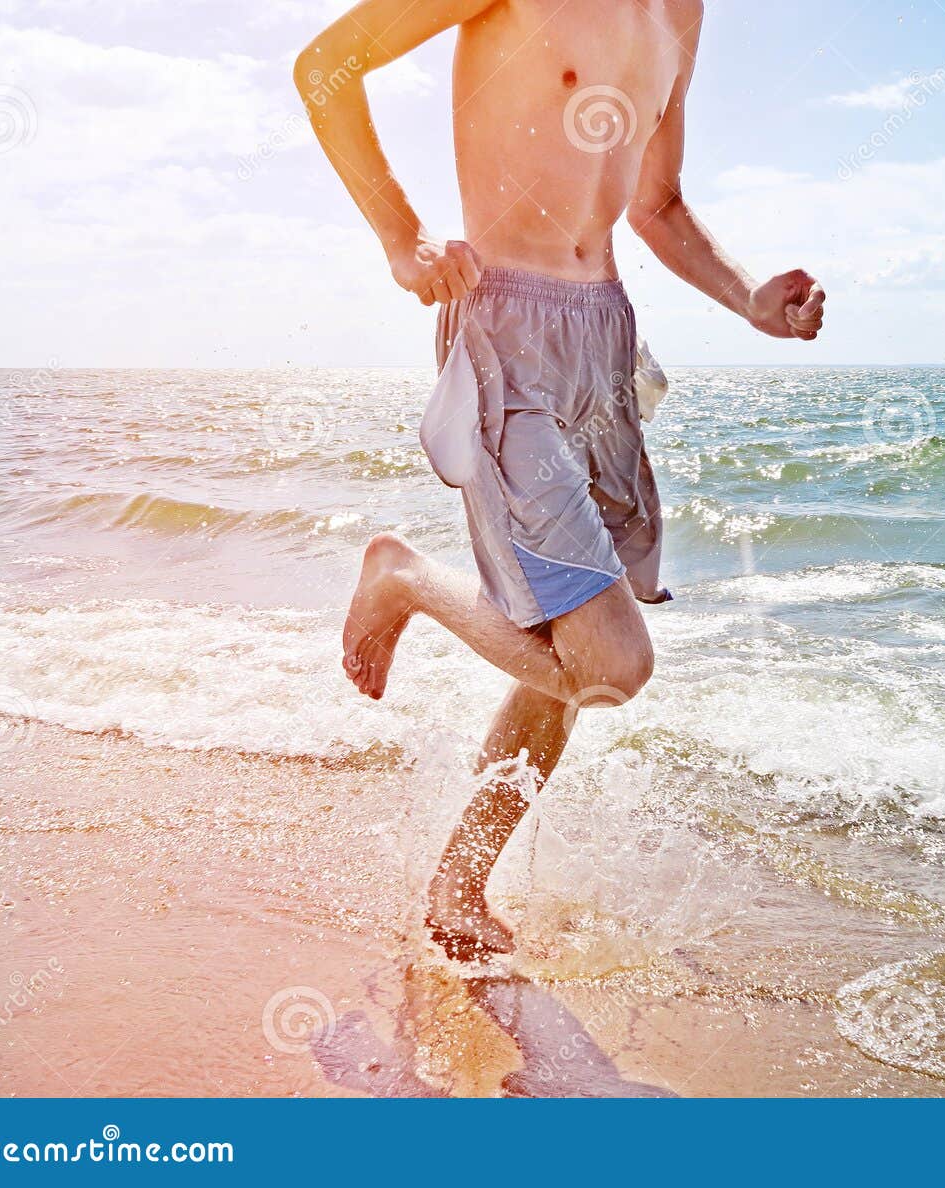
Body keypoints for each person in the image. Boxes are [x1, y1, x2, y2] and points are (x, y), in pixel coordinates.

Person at [295, 0, 826, 957]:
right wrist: (402, 236)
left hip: (604, 340)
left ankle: (458, 888)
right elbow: (327, 67)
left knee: (566, 647)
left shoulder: (680, 13)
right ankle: (404, 578)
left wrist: (749, 298)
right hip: (504, 324)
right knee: (614, 664)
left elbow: (655, 204)